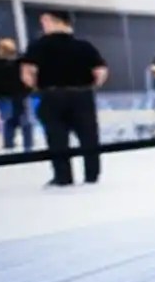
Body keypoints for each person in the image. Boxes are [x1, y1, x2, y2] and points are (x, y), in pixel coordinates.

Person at [21, 11, 108, 186]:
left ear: (50, 21)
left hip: (52, 95)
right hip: (82, 95)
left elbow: (27, 74)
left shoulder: (37, 46)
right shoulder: (85, 46)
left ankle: (63, 177)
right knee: (88, 136)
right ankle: (92, 175)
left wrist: (38, 87)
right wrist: (90, 86)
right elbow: (101, 72)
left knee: (57, 137)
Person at [0, 37, 33, 151]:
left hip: (3, 97)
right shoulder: (19, 64)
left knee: (8, 122)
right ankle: (28, 146)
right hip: (20, 95)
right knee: (25, 123)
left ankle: (9, 146)